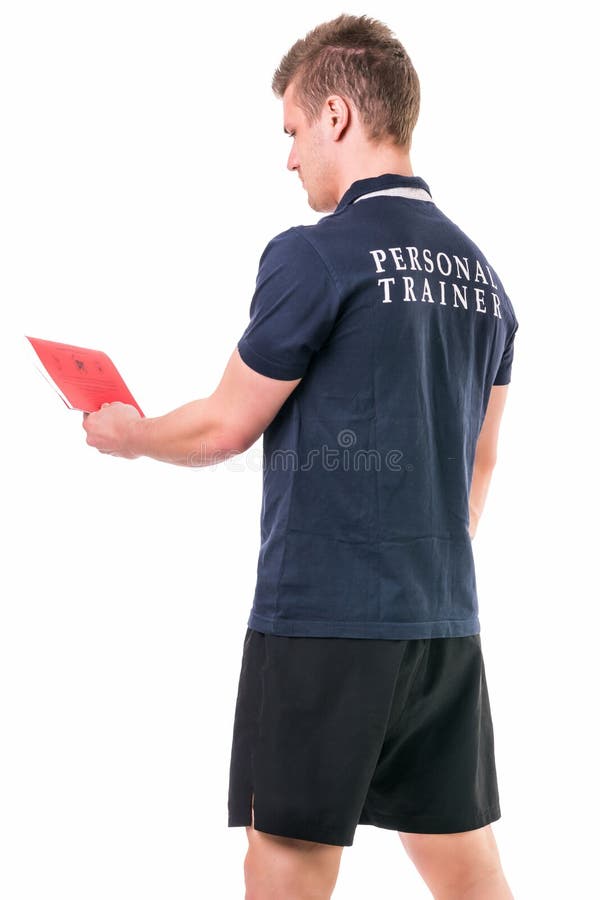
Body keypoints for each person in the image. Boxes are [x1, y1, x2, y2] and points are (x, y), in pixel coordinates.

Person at [83, 13, 518, 900]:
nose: (288, 159)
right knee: (467, 871)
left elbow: (223, 427)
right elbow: (481, 460)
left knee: (282, 865)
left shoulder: (316, 256)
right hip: (443, 627)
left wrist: (129, 432)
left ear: (336, 115)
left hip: (324, 626)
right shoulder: (485, 279)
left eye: (290, 131)